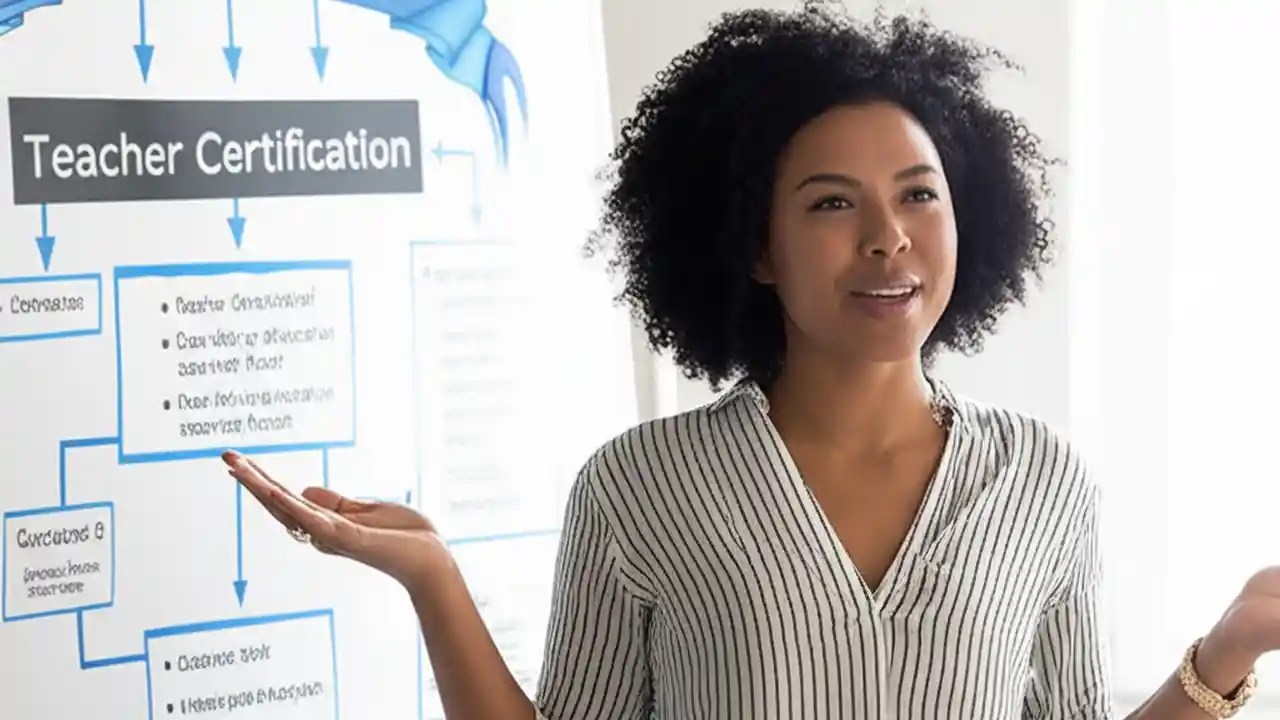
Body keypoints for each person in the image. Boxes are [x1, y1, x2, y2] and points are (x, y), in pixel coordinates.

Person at [223, 2, 1280, 718]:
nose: (887, 237)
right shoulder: (641, 487)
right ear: (755, 246)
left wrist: (1227, 648)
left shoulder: (1041, 483)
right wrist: (433, 580)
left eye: (917, 194)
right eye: (830, 203)